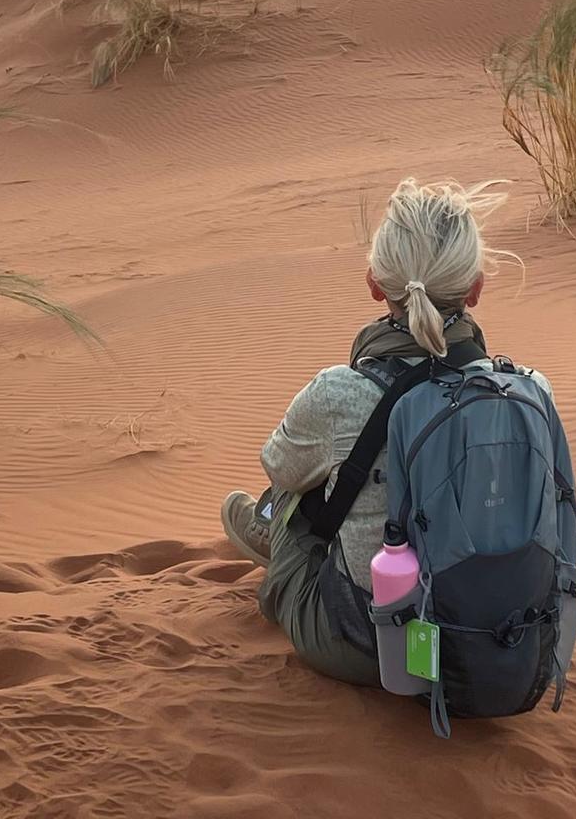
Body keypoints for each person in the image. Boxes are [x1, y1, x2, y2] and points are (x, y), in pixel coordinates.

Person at [222, 176, 552, 686]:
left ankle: (273, 536)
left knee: (290, 486)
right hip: (501, 637)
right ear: (477, 288)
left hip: (367, 645)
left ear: (375, 284)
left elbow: (278, 464)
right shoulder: (531, 392)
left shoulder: (338, 392)